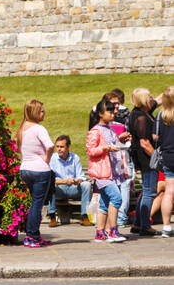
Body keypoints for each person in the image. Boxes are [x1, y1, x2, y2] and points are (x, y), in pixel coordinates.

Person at [86, 99, 131, 242]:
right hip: (102, 173)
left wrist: (120, 140)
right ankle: (112, 230)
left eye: (113, 112)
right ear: (100, 114)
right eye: (109, 112)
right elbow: (91, 150)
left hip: (112, 172)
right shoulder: (95, 130)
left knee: (105, 203)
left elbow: (113, 144)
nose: (113, 114)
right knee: (117, 198)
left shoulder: (109, 128)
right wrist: (105, 148)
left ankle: (100, 233)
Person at [17, 99, 55, 248]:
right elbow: (50, 145)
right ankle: (32, 236)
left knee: (34, 202)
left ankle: (33, 235)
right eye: (41, 111)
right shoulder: (39, 128)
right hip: (39, 170)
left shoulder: (22, 129)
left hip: (25, 168)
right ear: (34, 112)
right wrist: (46, 158)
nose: (43, 113)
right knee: (36, 205)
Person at [126, 88, 158, 236]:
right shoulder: (141, 118)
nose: (152, 98)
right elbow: (145, 143)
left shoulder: (140, 113)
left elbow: (159, 100)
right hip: (147, 160)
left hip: (144, 159)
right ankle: (145, 225)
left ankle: (138, 224)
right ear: (144, 100)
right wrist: (157, 158)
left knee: (146, 191)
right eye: (149, 96)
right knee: (149, 192)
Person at [46, 135, 91, 227]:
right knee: (50, 185)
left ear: (68, 147)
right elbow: (49, 179)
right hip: (59, 189)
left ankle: (84, 216)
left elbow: (81, 176)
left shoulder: (75, 157)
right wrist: (66, 181)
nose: (59, 149)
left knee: (87, 184)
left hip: (73, 189)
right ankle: (52, 217)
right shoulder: (52, 158)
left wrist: (77, 180)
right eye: (57, 146)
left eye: (62, 147)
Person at [154, 88, 174, 238]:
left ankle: (166, 226)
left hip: (167, 156)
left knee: (169, 192)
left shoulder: (161, 115)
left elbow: (155, 137)